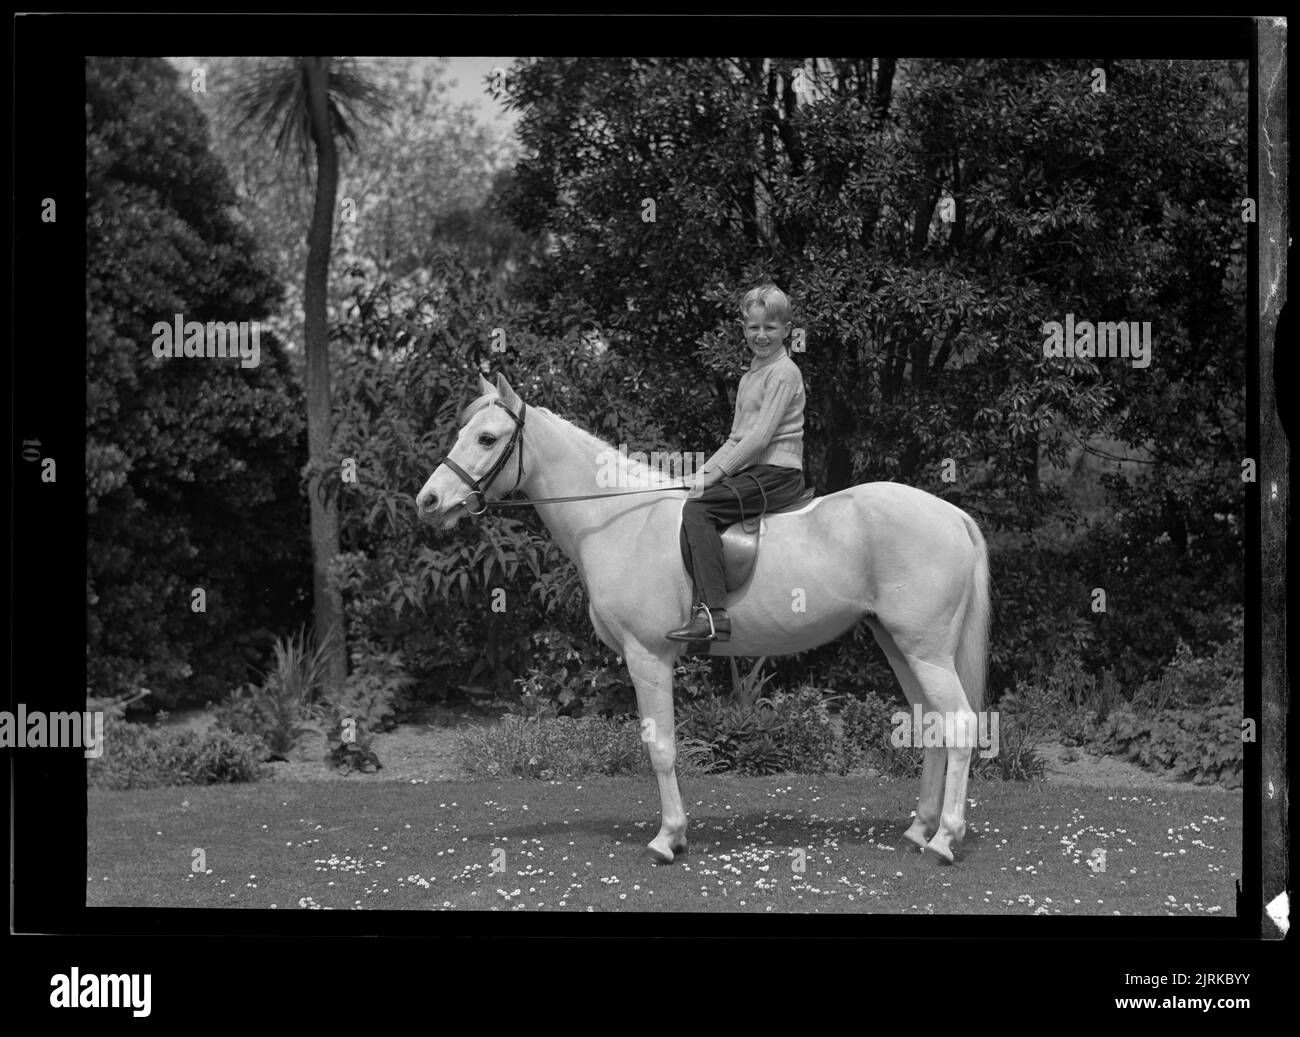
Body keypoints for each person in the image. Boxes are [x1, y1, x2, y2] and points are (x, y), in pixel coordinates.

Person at [666, 285, 807, 643]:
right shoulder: (749, 377)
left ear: (787, 330)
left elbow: (759, 440)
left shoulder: (784, 372)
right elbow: (736, 439)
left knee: (699, 510)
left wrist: (712, 478)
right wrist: (700, 474)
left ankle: (713, 615)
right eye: (753, 328)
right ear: (743, 328)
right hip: (757, 471)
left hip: (779, 474)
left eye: (770, 328)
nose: (761, 336)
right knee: (693, 495)